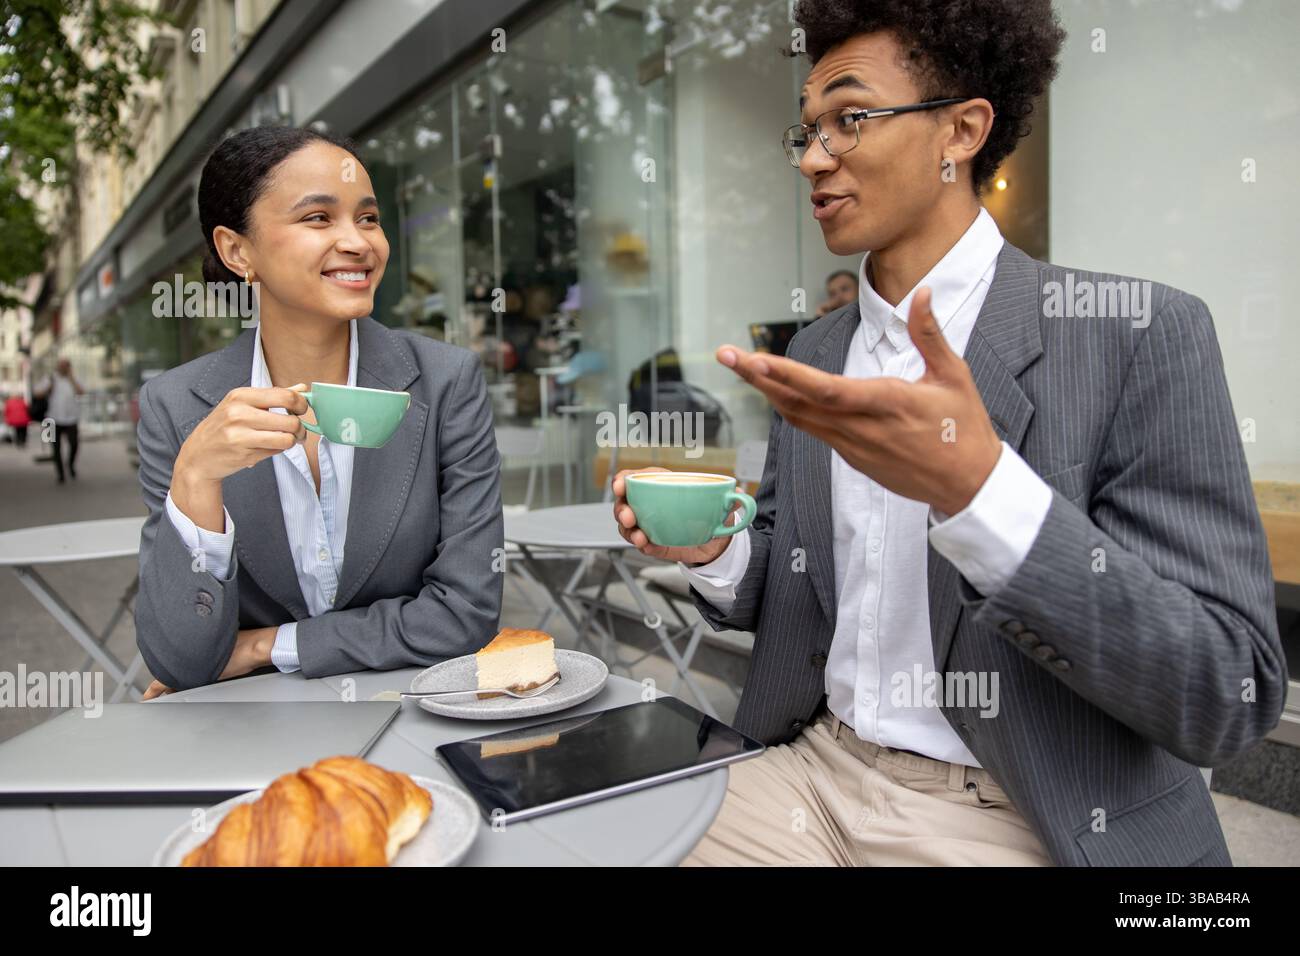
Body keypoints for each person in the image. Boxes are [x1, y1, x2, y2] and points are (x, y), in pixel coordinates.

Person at [613, 0, 1283, 866]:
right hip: (811, 772)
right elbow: (795, 581)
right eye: (808, 129)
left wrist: (984, 494)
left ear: (961, 131)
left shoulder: (1136, 335)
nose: (815, 159)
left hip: (1021, 809)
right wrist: (712, 551)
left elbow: (1227, 692)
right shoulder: (821, 346)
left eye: (851, 119)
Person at [134, 126, 504, 696]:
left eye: (368, 218)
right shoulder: (176, 408)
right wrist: (195, 478)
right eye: (318, 218)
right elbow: (182, 660)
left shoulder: (446, 381)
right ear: (238, 250)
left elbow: (465, 614)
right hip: (247, 742)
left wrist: (267, 644)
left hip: (414, 722)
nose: (358, 242)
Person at [33, 359, 83, 482]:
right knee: (55, 448)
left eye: (65, 366)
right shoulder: (50, 378)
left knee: (74, 444)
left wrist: (71, 378)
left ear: (69, 367)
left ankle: (70, 464)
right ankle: (60, 474)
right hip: (51, 418)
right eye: (60, 366)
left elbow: (81, 392)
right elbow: (37, 393)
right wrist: (49, 387)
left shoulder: (74, 378)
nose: (63, 368)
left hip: (71, 418)